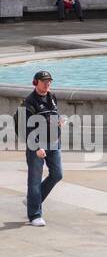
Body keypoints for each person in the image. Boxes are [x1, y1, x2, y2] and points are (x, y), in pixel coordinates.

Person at [22, 70, 64, 227]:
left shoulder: (52, 97)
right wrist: (37, 147)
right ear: (35, 82)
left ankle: (33, 200)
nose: (47, 84)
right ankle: (35, 215)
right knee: (34, 181)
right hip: (37, 146)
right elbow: (26, 128)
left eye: (49, 81)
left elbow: (52, 116)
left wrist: (58, 123)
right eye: (44, 81)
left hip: (54, 143)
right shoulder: (29, 102)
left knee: (57, 174)